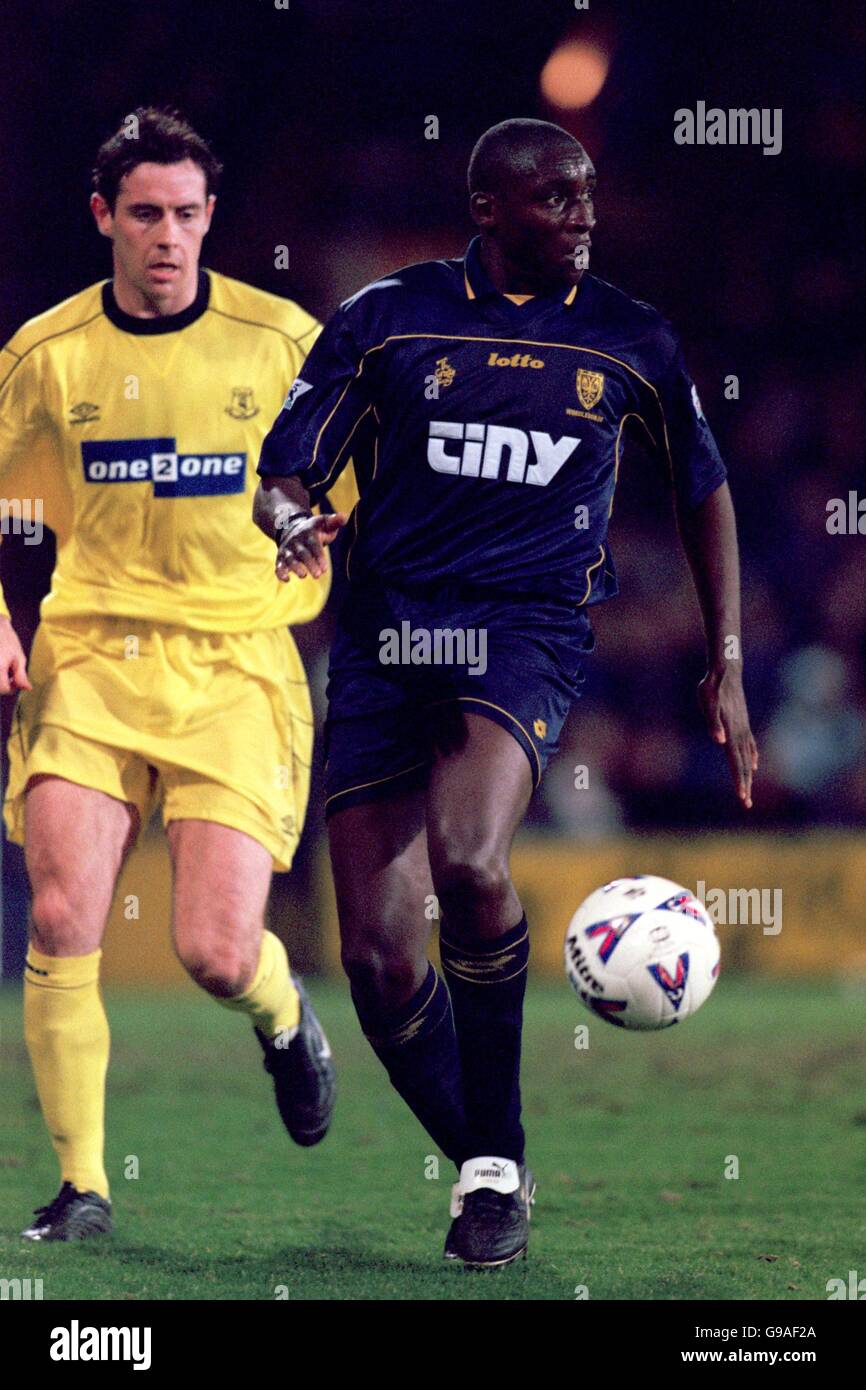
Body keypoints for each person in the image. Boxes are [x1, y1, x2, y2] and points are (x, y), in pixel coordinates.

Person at [253, 117, 758, 1268]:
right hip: (387, 638)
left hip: (521, 633)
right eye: (555, 199)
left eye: (588, 194)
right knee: (379, 964)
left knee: (469, 859)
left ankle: (487, 1167)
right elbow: (283, 472)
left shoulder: (632, 339)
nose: (583, 215)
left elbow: (703, 488)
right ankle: (499, 1166)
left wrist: (722, 659)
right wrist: (291, 523)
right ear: (488, 209)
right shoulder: (388, 318)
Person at [0, 107, 356, 1242]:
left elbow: (342, 489)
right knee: (61, 917)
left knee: (209, 949)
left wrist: (318, 526)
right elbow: (4, 506)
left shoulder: (283, 341)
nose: (168, 236)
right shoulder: (45, 356)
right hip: (91, 657)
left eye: (188, 215)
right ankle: (84, 1185)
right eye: (145, 214)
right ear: (104, 216)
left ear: (211, 218)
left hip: (233, 662)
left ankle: (283, 1011)